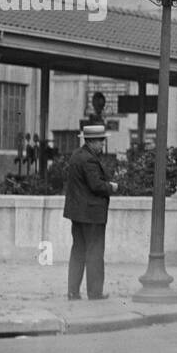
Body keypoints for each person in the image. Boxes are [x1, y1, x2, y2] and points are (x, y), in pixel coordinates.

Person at [64, 124, 118, 300]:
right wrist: (112, 186)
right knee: (95, 253)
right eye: (101, 141)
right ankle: (95, 292)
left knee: (78, 252)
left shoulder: (76, 156)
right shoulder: (90, 159)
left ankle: (73, 291)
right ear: (92, 141)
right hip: (92, 215)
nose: (103, 144)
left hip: (77, 214)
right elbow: (96, 185)